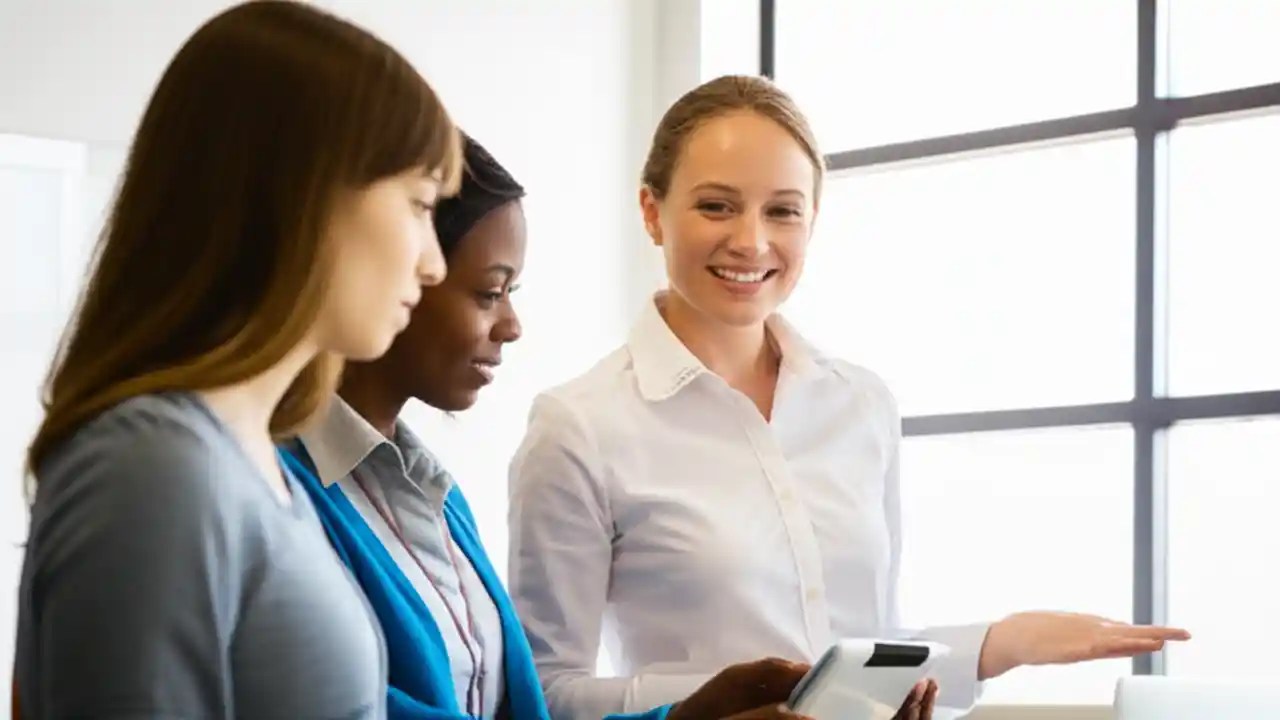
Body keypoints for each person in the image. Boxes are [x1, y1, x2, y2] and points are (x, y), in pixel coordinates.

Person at [505, 74, 1192, 720]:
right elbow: (542, 693)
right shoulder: (580, 426)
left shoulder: (861, 404)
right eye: (716, 205)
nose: (751, 241)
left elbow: (868, 643)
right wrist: (713, 704)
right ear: (652, 212)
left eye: (783, 212)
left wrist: (1004, 644)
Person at [13, 2, 464, 717]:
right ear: (302, 195)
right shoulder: (155, 466)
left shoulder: (246, 459)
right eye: (418, 204)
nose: (434, 264)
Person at [280, 133, 823, 720]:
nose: (512, 325)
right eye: (491, 292)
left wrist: (686, 714)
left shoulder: (433, 494)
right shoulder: (277, 491)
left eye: (511, 291)